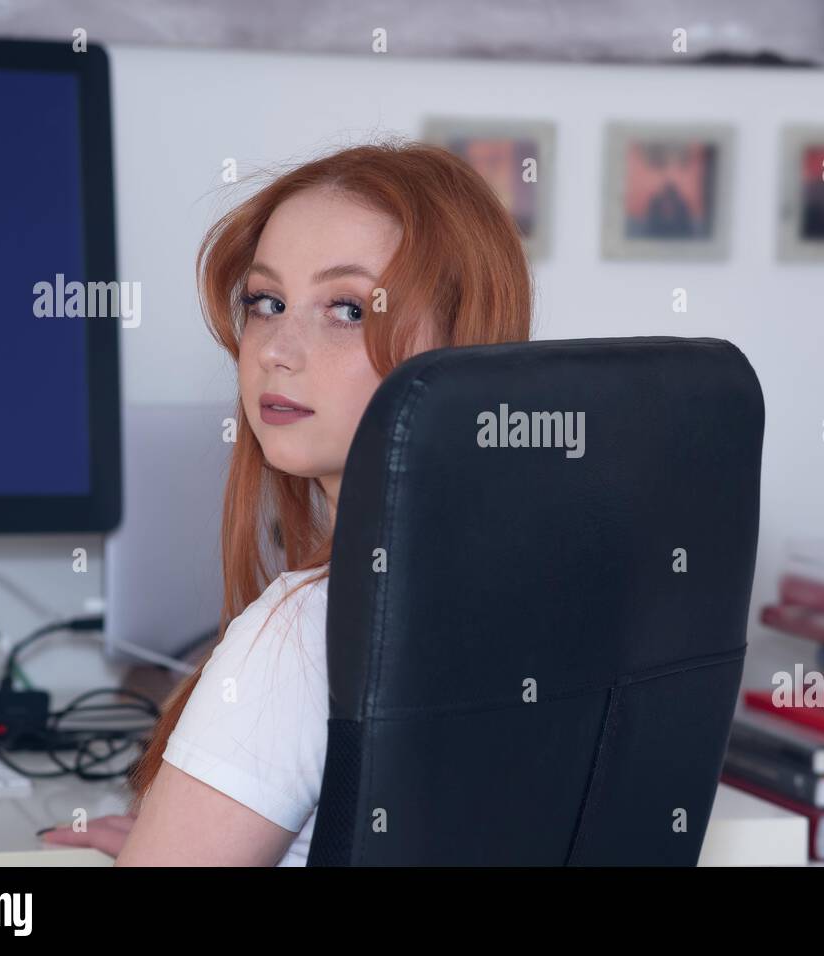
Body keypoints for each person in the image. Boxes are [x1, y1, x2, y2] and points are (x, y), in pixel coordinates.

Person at [40, 139, 534, 864]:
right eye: (266, 303)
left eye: (347, 308)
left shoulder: (309, 632)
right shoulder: (551, 587)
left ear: (459, 344)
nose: (277, 348)